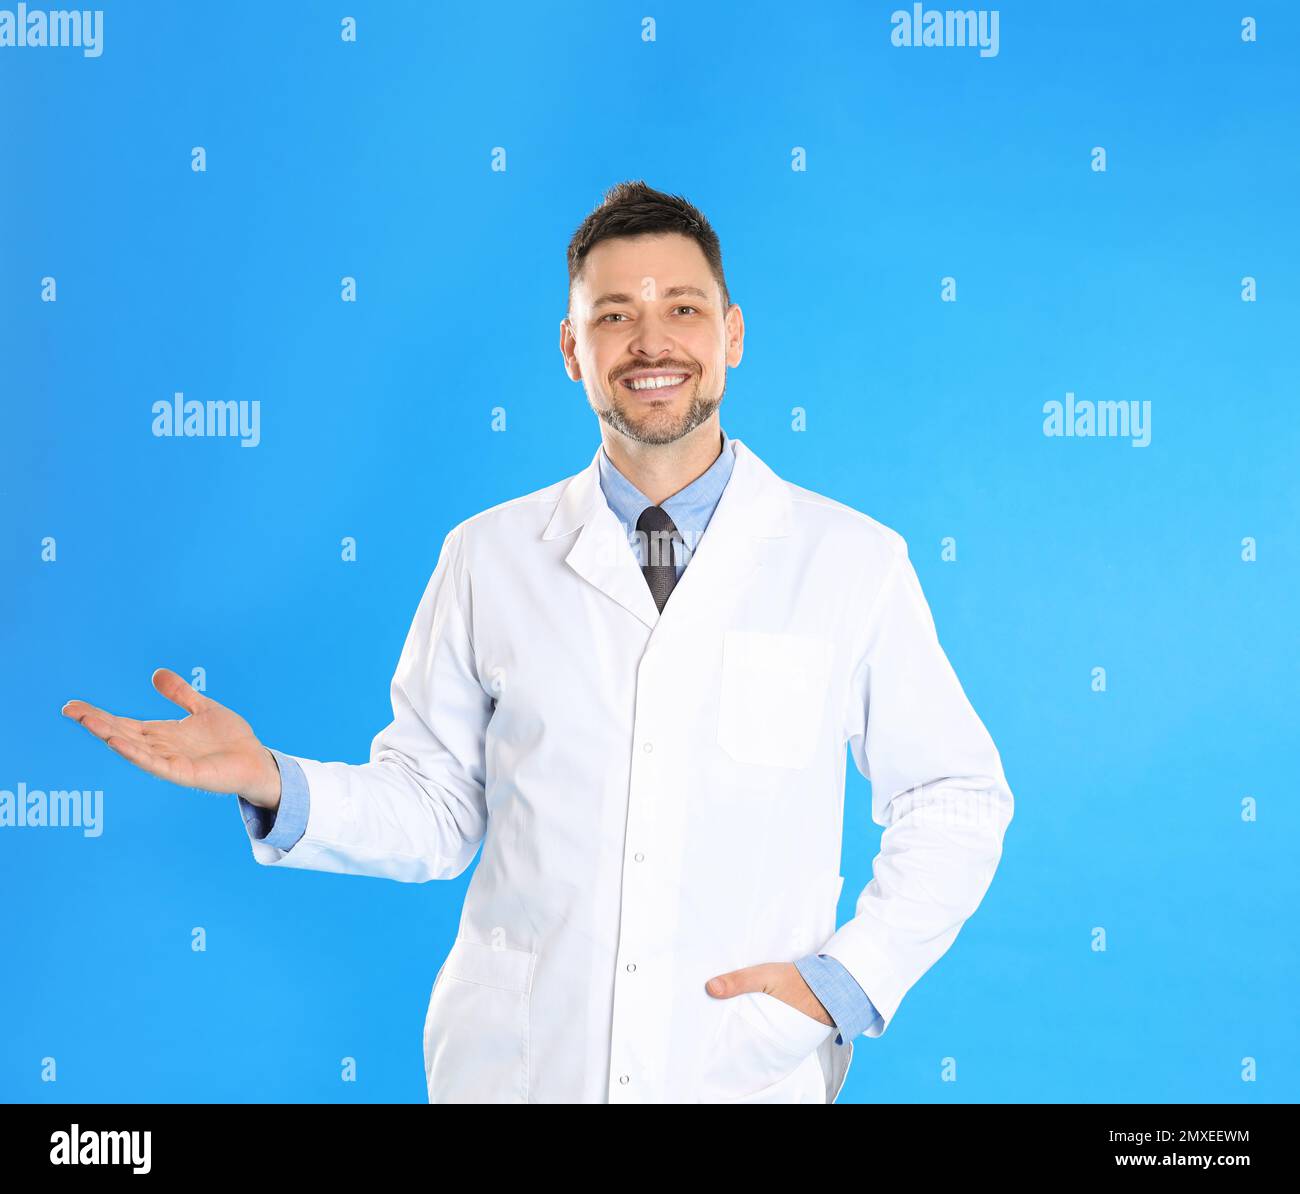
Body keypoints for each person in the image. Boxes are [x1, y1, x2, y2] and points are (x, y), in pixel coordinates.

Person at [62, 180, 1014, 1104]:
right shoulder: (486, 556)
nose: (651, 342)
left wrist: (846, 981)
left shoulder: (850, 560)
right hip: (518, 1069)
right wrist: (273, 776)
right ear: (571, 347)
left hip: (737, 1069)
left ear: (730, 333)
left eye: (682, 308)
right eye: (612, 315)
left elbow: (955, 795)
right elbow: (436, 810)